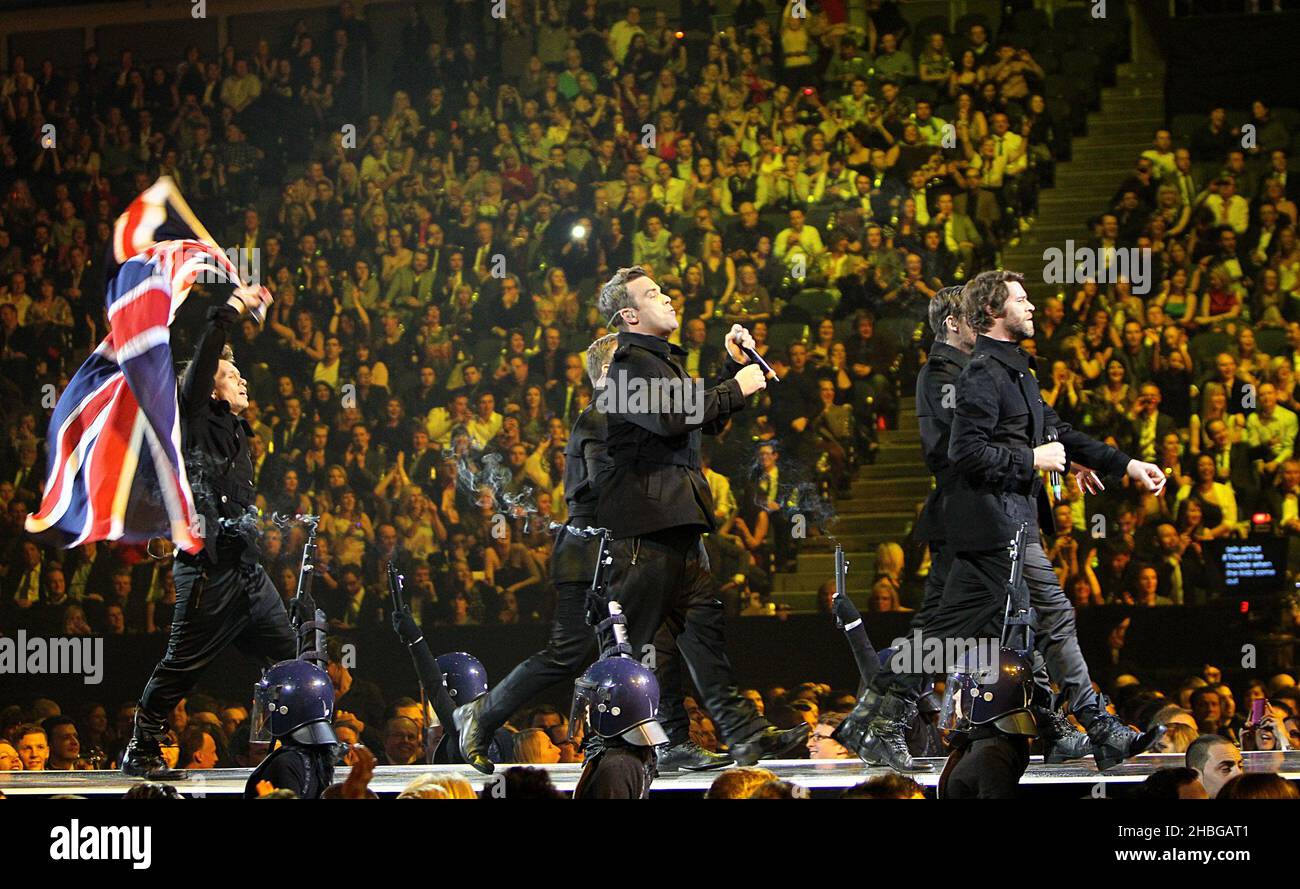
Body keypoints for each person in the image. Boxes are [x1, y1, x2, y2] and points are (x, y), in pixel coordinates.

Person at [854, 271, 1167, 772]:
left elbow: (1050, 428)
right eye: (1021, 299)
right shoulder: (957, 373)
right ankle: (1080, 724)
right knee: (994, 627)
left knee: (999, 629)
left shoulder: (1007, 367)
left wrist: (1117, 463)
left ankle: (1065, 724)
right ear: (966, 321)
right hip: (978, 522)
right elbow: (957, 452)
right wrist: (1032, 456)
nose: (1032, 307)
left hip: (1002, 519)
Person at [593, 265, 806, 764]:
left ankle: (740, 732)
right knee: (644, 644)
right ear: (629, 314)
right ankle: (623, 745)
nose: (667, 298)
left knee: (698, 633)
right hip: (646, 524)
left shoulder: (658, 363)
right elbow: (671, 417)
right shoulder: (627, 364)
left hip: (678, 521)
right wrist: (738, 387)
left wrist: (731, 370)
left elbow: (692, 414)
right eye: (653, 294)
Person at [123, 283, 295, 778]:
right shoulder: (193, 415)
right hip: (207, 572)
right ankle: (143, 745)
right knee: (181, 667)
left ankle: (301, 736)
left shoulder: (238, 431)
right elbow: (200, 367)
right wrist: (233, 309)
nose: (241, 379)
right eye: (230, 372)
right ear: (209, 386)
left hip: (245, 571)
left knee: (287, 653)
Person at [453, 335, 616, 774]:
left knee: (629, 648)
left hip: (607, 552)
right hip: (587, 555)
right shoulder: (601, 418)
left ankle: (629, 744)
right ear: (606, 373)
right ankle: (480, 715)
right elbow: (607, 488)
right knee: (569, 652)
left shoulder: (623, 416)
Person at [570, 656, 668, 800]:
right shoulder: (633, 758)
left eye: (591, 701)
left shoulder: (616, 768)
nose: (586, 708)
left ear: (612, 707)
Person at [244, 659, 339, 799]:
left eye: (268, 704)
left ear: (284, 708)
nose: (264, 712)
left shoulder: (285, 764)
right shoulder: (316, 760)